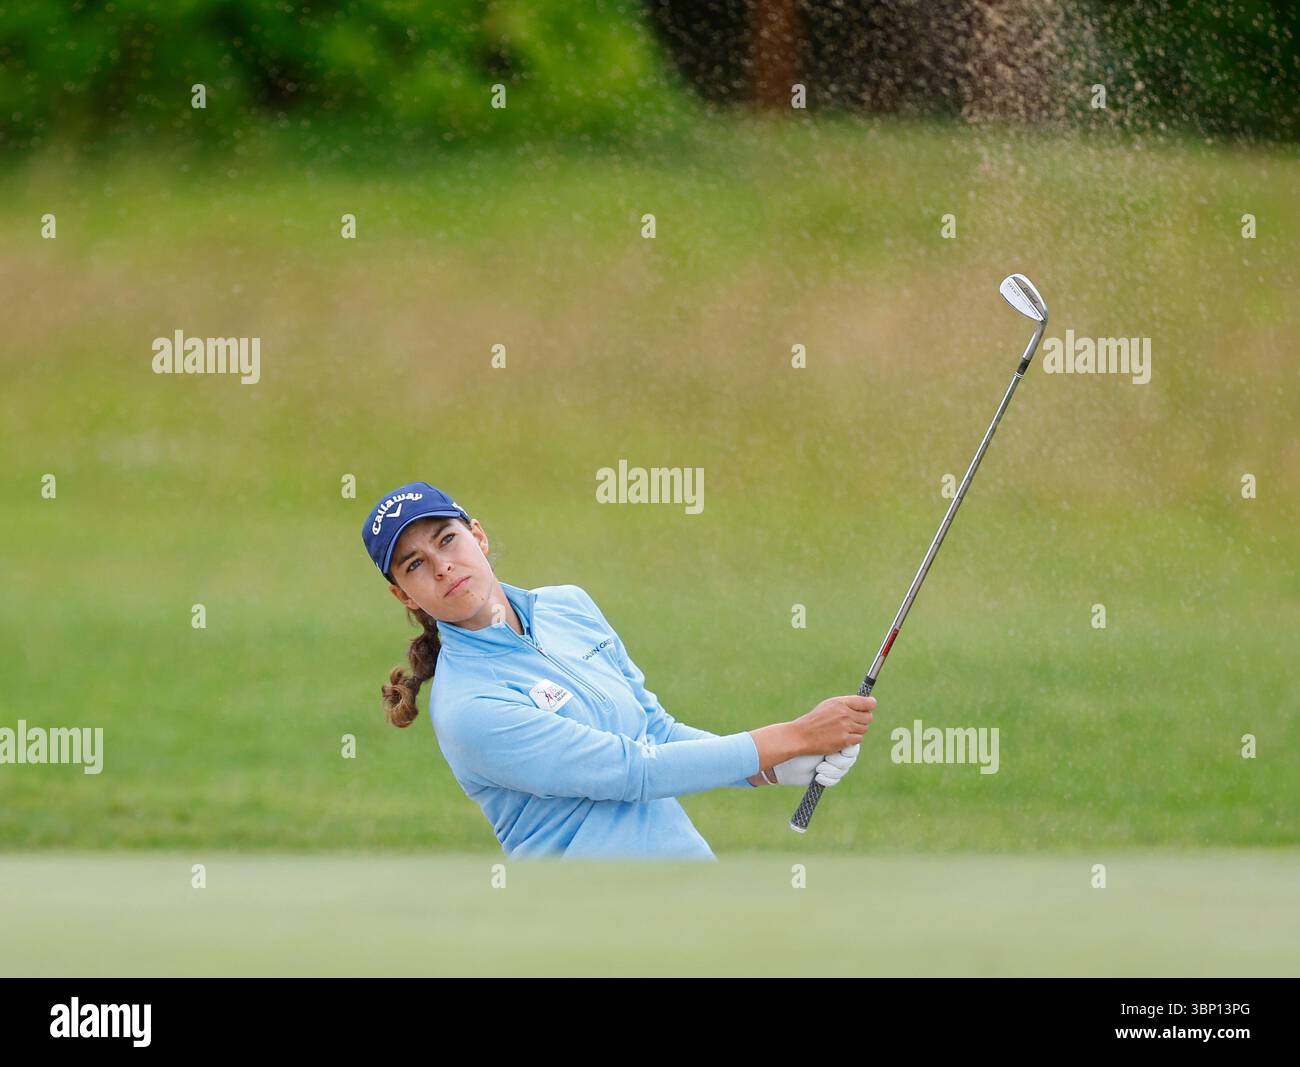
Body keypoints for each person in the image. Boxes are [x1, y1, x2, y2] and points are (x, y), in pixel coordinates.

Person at [361, 480, 875, 860]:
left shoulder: (568, 606)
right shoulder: (469, 708)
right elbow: (634, 770)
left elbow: (655, 731)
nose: (442, 565)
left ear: (478, 536)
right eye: (415, 564)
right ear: (404, 594)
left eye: (446, 539)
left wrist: (770, 769)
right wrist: (792, 736)